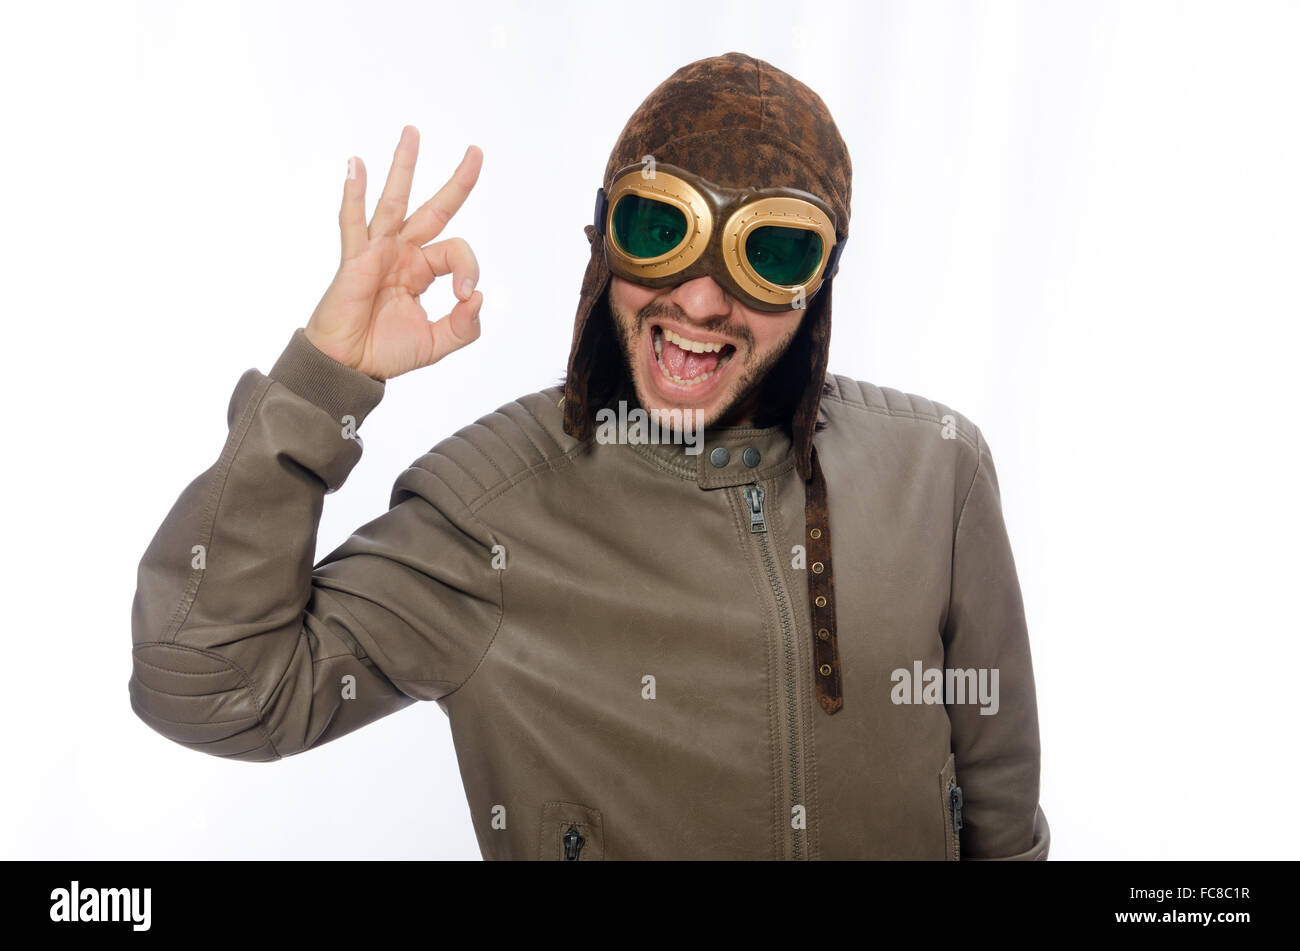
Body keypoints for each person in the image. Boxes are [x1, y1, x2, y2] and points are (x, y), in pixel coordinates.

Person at [130, 51, 1049, 860]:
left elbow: (1002, 820)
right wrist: (321, 383)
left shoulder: (937, 473)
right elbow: (210, 687)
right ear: (604, 237)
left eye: (768, 250)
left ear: (818, 282)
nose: (699, 302)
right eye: (662, 229)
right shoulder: (491, 511)